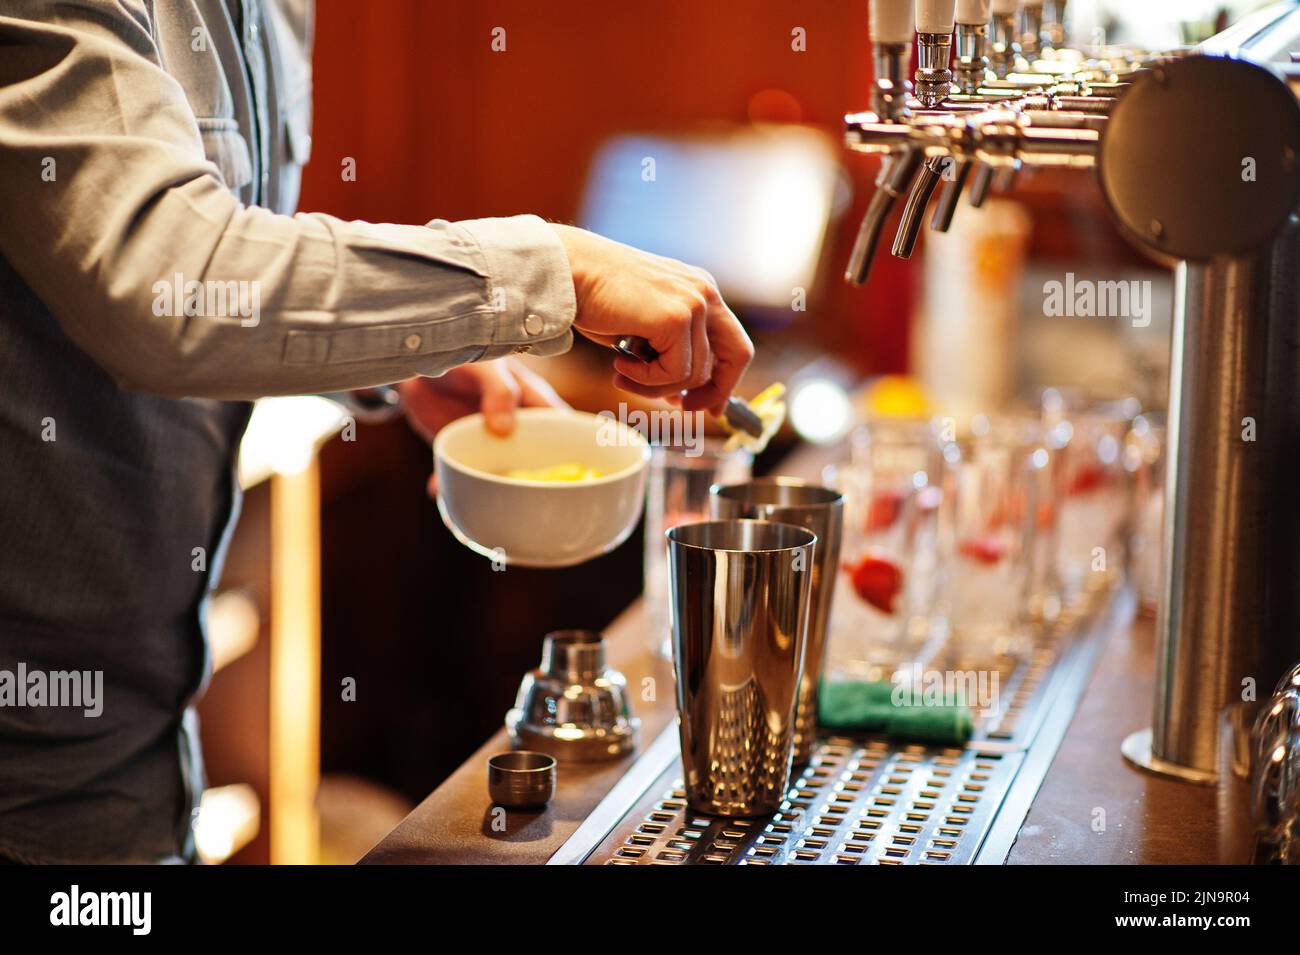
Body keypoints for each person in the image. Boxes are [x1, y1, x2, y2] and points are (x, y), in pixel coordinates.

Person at [0, 0, 753, 863]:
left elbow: (240, 253)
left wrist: (399, 362)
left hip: (143, 742)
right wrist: (554, 268)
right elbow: (163, 278)